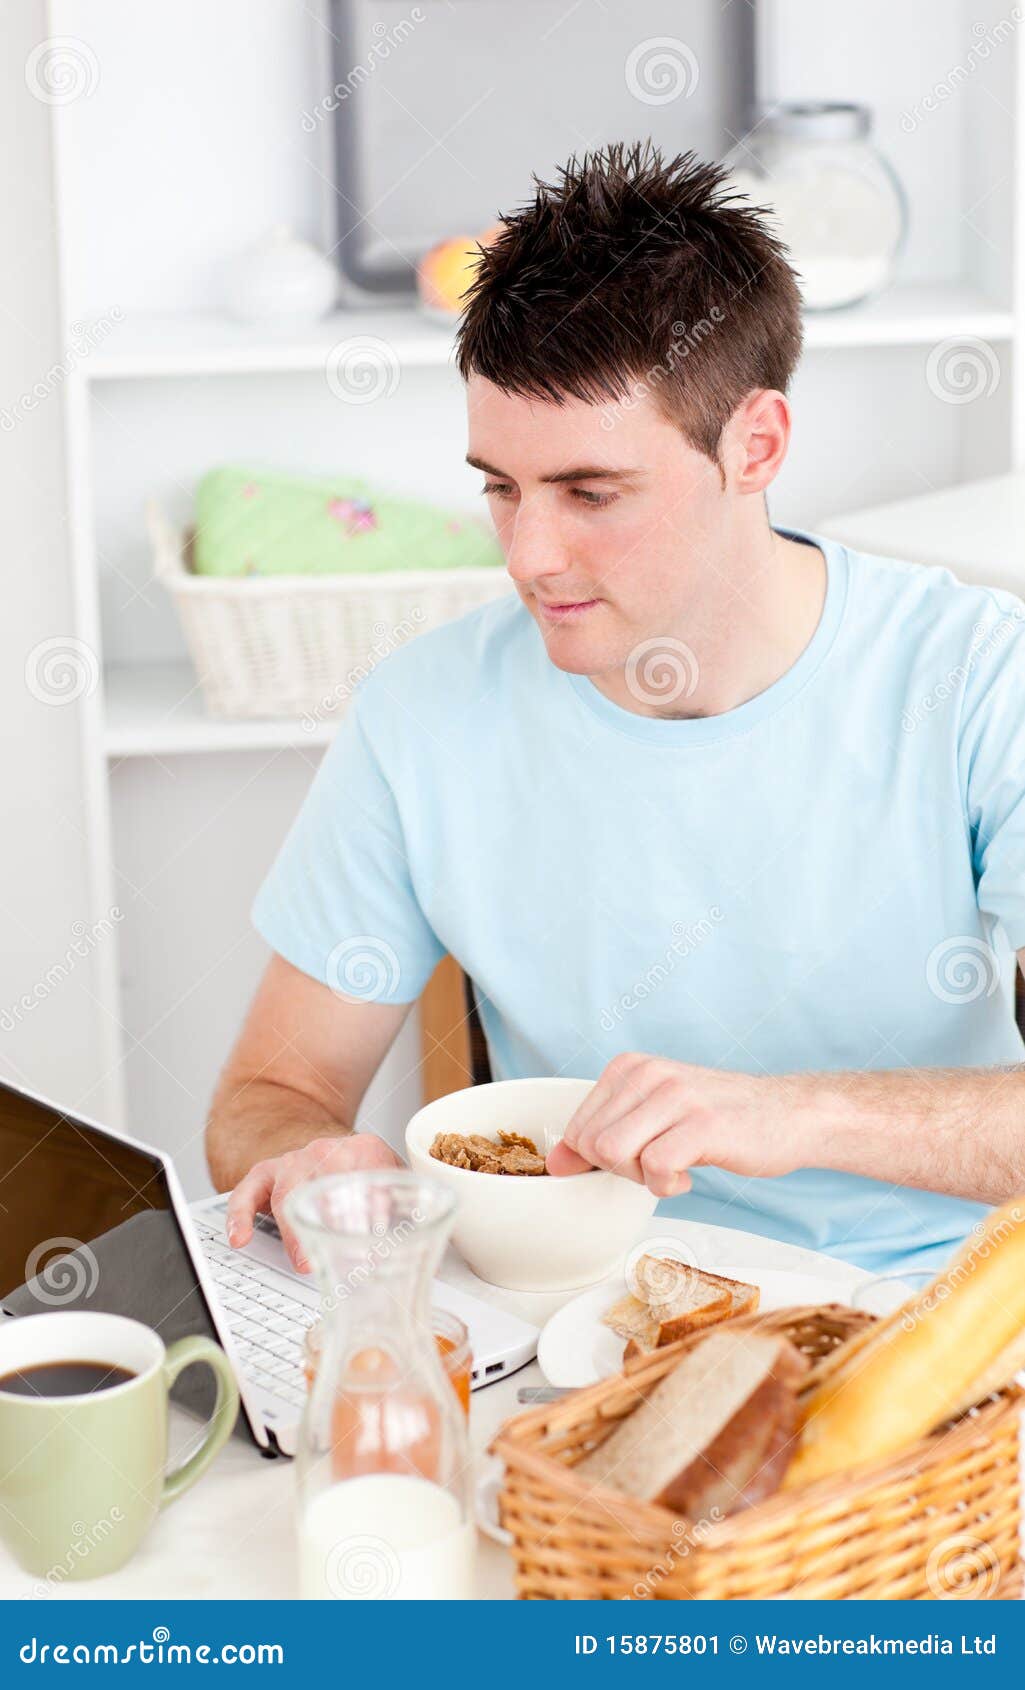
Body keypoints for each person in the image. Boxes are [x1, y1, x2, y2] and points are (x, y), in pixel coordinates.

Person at [207, 142, 1025, 1279]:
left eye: (590, 492)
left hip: (925, 1307)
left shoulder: (975, 678)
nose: (528, 556)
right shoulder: (422, 712)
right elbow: (268, 1091)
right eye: (501, 488)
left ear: (755, 445)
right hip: (567, 1307)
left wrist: (794, 1115)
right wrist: (300, 1154)